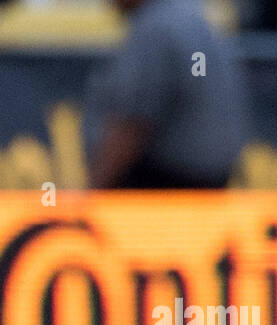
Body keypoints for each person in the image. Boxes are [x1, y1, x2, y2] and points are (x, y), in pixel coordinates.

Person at [87, 0, 247, 189]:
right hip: (211, 184)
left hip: (167, 187)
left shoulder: (156, 28)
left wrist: (91, 197)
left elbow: (132, 126)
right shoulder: (192, 17)